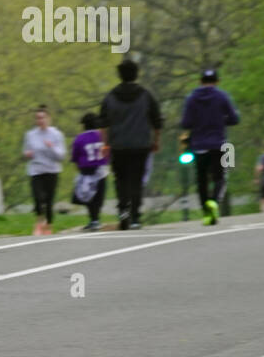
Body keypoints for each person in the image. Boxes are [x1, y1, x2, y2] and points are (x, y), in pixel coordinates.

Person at [98, 59, 163, 230]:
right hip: (140, 145)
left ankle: (123, 212)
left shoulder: (110, 97)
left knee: (121, 180)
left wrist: (105, 144)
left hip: (118, 145)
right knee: (136, 180)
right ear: (136, 74)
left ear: (120, 75)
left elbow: (103, 123)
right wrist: (156, 141)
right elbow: (156, 121)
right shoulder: (145, 95)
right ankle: (135, 216)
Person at [179, 68, 240, 226]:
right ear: (217, 81)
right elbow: (234, 119)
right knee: (220, 177)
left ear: (200, 82)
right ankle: (214, 202)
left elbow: (185, 123)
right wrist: (221, 121)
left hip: (198, 145)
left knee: (201, 179)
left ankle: (206, 211)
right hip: (218, 144)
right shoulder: (222, 96)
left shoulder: (191, 98)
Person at [22, 106, 66, 235]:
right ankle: (39, 222)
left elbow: (61, 156)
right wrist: (27, 154)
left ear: (48, 118)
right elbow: (25, 151)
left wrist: (51, 147)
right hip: (36, 169)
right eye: (38, 118)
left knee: (48, 200)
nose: (40, 120)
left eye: (42, 117)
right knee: (38, 197)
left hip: (52, 170)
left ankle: (49, 225)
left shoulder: (56, 134)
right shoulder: (30, 135)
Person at [70, 112, 109, 230]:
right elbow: (108, 152)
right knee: (98, 196)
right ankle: (96, 219)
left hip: (86, 171)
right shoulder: (102, 136)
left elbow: (75, 156)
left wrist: (79, 166)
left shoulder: (79, 138)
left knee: (88, 196)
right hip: (101, 170)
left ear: (84, 125)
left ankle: (93, 219)